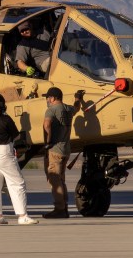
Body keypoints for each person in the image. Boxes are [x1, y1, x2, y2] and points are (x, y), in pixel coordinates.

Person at [0, 93, 39, 225]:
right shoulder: (5, 119)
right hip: (3, 152)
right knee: (17, 183)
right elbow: (15, 135)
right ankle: (22, 215)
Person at [41, 86, 83, 219]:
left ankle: (59, 208)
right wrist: (78, 99)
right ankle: (64, 207)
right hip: (66, 149)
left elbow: (46, 125)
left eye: (48, 97)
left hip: (55, 150)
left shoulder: (51, 110)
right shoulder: (68, 109)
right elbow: (77, 108)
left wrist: (48, 141)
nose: (47, 100)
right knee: (61, 179)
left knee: (54, 179)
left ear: (52, 98)